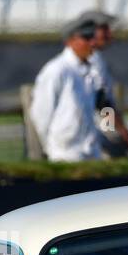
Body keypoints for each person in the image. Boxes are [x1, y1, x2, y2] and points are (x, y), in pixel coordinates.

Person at [30, 15, 104, 162]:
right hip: (65, 155)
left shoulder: (94, 70)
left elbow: (104, 106)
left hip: (92, 153)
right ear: (70, 40)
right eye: (86, 38)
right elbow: (41, 114)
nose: (93, 43)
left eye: (93, 37)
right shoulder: (57, 70)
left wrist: (108, 135)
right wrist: (51, 147)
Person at [77, 9, 128, 158]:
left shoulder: (94, 57)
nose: (110, 34)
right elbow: (101, 101)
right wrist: (118, 131)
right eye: (104, 29)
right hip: (91, 134)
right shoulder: (91, 59)